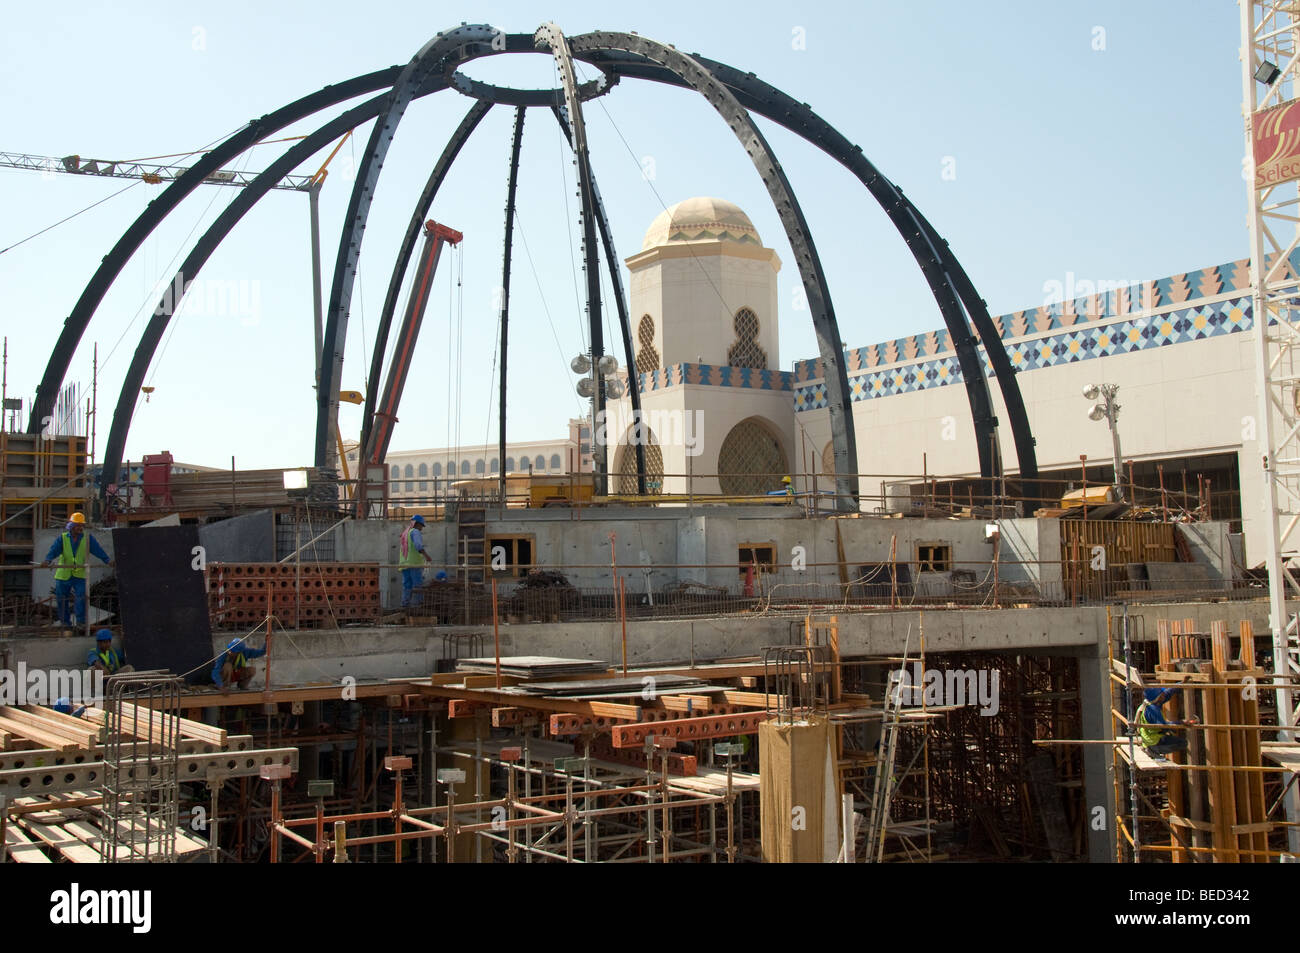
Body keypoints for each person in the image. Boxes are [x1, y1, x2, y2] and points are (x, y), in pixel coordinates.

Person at [41, 512, 113, 626]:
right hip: (64, 573)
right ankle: (65, 623)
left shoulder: (88, 538)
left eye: (81, 525)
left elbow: (98, 550)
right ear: (71, 526)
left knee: (81, 597)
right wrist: (47, 561)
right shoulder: (63, 538)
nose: (80, 528)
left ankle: (80, 622)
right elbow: (54, 550)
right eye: (78, 525)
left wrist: (107, 561)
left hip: (79, 574)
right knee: (62, 599)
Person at [1135, 686, 1197, 758]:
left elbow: (1169, 692)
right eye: (1162, 694)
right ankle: (1152, 750)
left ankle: (1152, 748)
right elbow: (1164, 727)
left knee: (1173, 737)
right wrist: (1180, 722)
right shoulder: (1153, 710)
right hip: (1153, 741)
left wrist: (1182, 683)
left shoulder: (1152, 703)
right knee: (1182, 743)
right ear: (1158, 697)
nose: (1164, 694)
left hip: (1150, 738)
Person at [399, 514, 434, 608]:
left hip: (404, 564)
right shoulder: (415, 532)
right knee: (417, 585)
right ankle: (418, 605)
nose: (422, 528)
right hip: (414, 563)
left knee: (407, 586)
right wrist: (426, 556)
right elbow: (418, 545)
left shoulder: (405, 533)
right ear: (417, 524)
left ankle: (405, 605)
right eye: (421, 526)